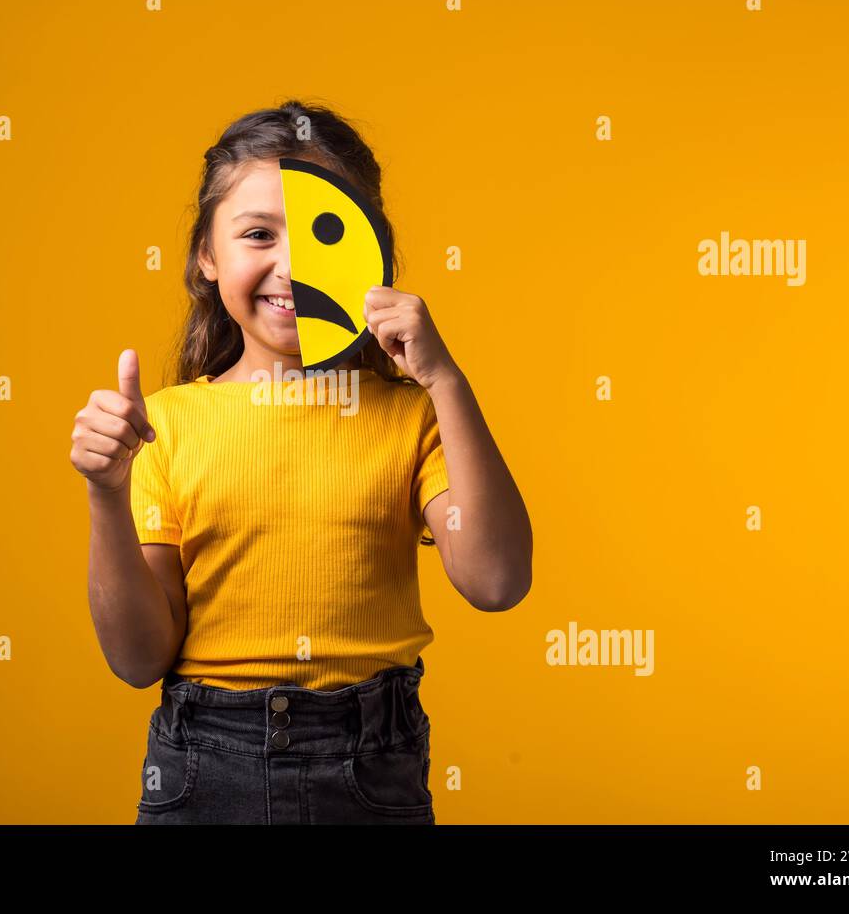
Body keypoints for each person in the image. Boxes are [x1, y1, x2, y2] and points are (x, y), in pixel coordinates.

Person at [69, 99, 533, 824]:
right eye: (257, 234)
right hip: (201, 764)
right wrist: (106, 491)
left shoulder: (410, 418)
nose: (291, 266)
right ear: (207, 255)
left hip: (371, 766)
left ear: (370, 253)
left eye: (325, 234)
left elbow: (497, 580)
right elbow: (137, 660)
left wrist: (445, 381)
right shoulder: (163, 428)